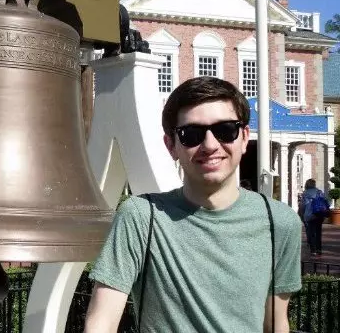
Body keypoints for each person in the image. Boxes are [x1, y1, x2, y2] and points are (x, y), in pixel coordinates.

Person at [84, 77, 302, 333]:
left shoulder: (280, 222)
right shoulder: (142, 217)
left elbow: (275, 323)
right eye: (191, 135)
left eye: (225, 130)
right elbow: (102, 321)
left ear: (244, 138)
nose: (210, 145)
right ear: (171, 146)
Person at [298, 178, 330, 256]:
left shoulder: (305, 193)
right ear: (314, 184)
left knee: (311, 232)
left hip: (310, 215)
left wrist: (300, 214)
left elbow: (303, 205)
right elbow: (326, 202)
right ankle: (319, 249)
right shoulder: (319, 192)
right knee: (318, 232)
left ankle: (313, 250)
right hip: (319, 214)